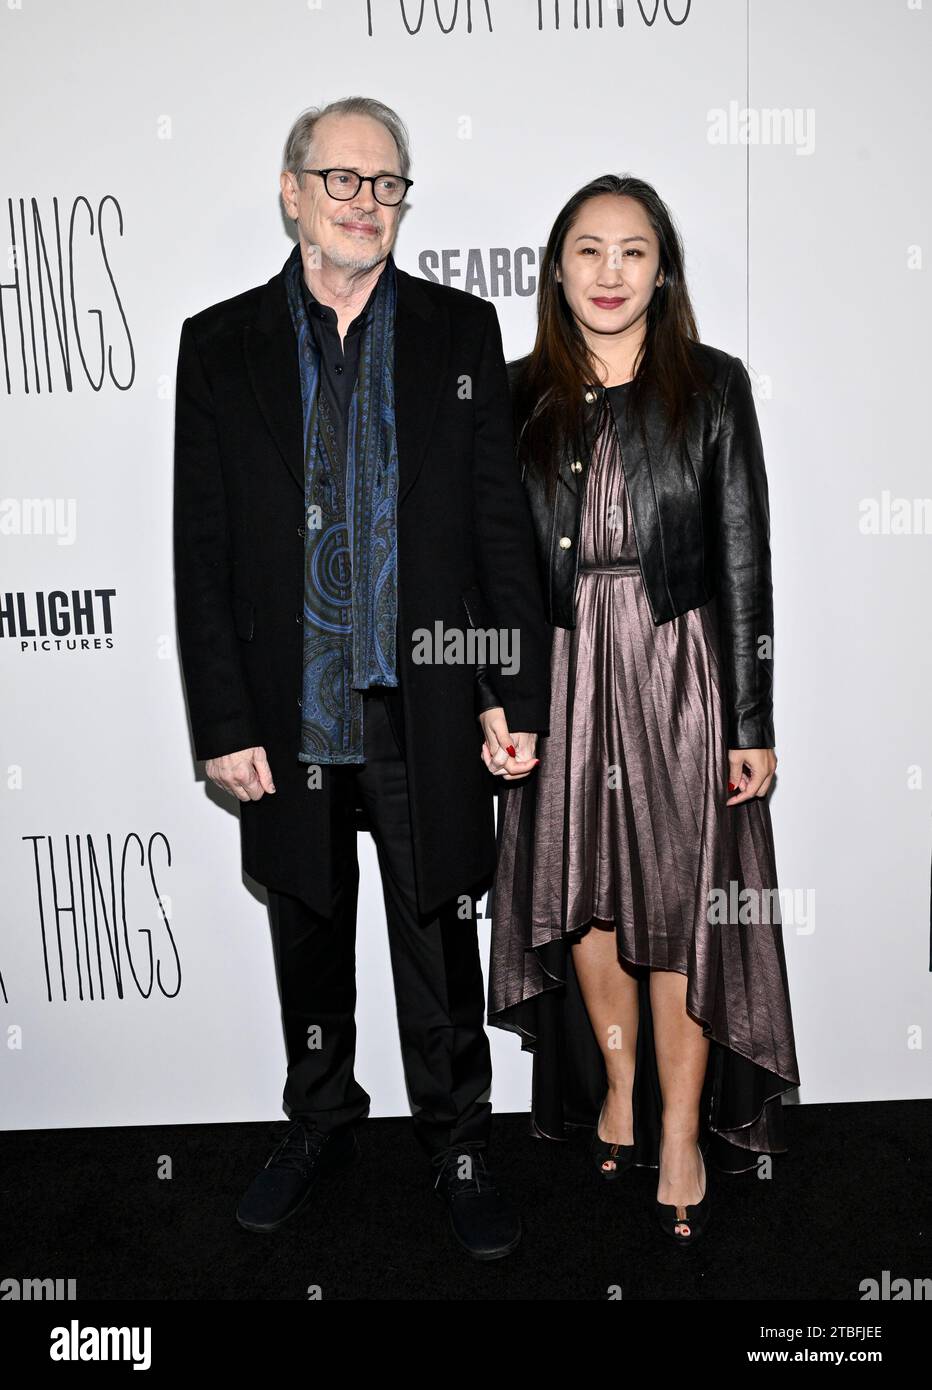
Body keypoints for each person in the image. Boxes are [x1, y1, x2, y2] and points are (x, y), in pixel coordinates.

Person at [172, 96, 549, 1258]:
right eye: (342, 180)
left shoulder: (456, 332)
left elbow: (497, 531)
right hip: (287, 714)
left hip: (423, 701)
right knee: (306, 930)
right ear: (291, 192)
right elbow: (203, 549)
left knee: (436, 931)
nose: (366, 203)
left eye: (387, 183)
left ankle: (459, 1135)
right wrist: (224, 720)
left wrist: (510, 691)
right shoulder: (219, 342)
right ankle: (319, 1118)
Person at [484, 174, 801, 1245]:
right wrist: (499, 689)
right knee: (588, 899)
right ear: (555, 268)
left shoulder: (710, 385)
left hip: (678, 666)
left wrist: (749, 716)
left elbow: (743, 557)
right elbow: (492, 569)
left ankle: (676, 1130)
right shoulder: (514, 391)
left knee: (677, 906)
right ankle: (615, 1086)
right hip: (564, 667)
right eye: (587, 250)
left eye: (632, 251)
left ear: (660, 271)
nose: (609, 272)